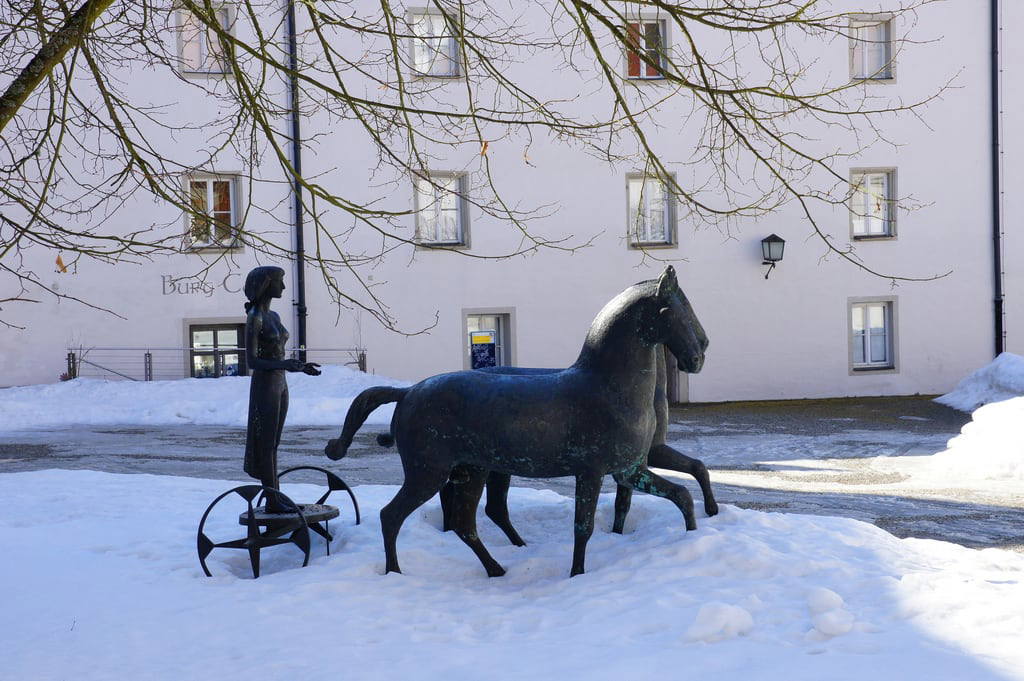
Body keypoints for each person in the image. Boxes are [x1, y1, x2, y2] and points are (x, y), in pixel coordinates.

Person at [242, 266, 320, 512]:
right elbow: (252, 362)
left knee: (274, 442)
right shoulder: (255, 316)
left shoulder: (274, 316)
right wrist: (284, 364)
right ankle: (273, 499)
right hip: (265, 384)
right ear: (267, 284)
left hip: (280, 382)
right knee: (265, 443)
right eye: (280, 281)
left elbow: (278, 354)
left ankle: (274, 493)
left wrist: (299, 366)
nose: (284, 287)